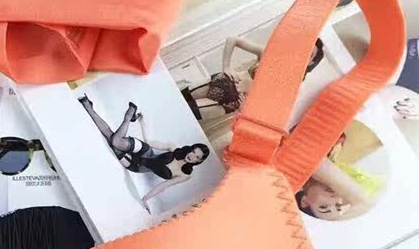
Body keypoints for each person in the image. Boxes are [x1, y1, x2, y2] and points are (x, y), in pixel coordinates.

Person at [78, 96, 210, 212]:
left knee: (112, 140)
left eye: (197, 157)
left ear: (199, 161)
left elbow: (163, 186)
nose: (192, 156)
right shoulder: (174, 148)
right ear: (191, 149)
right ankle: (120, 115)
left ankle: (97, 109)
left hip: (137, 167)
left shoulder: (185, 175)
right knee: (116, 141)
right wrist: (142, 122)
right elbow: (149, 141)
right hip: (145, 151)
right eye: (193, 151)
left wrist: (145, 199)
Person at [181, 36, 325, 120]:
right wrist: (226, 67)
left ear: (311, 62)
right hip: (220, 80)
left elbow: (265, 109)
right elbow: (233, 39)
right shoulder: (270, 55)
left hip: (229, 101)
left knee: (184, 113)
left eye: (310, 54)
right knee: (180, 98)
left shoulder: (290, 85)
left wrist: (249, 94)